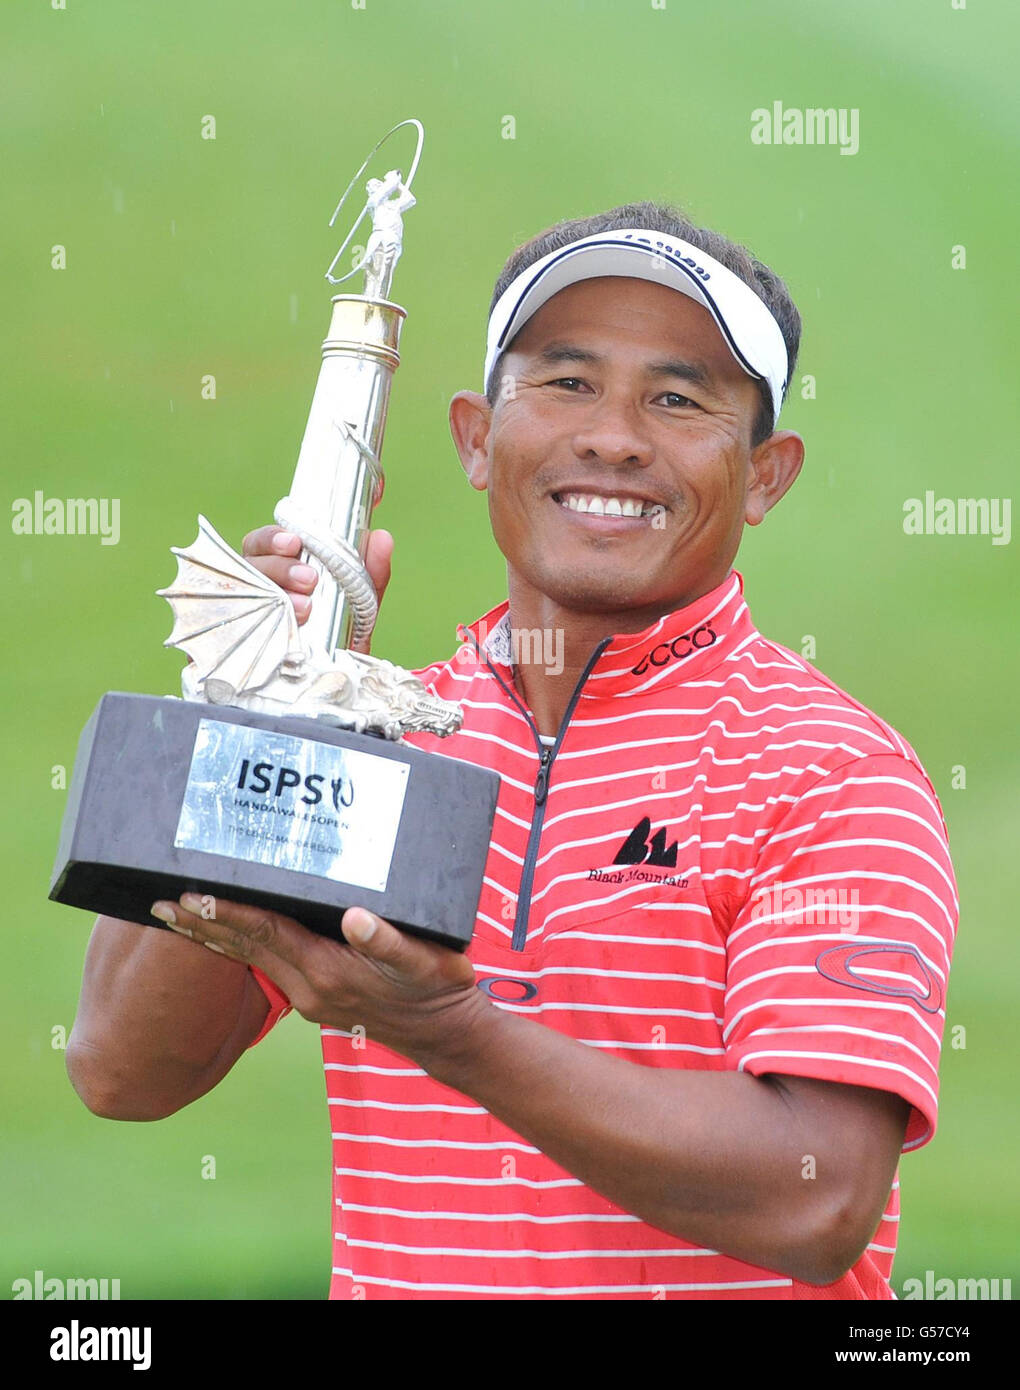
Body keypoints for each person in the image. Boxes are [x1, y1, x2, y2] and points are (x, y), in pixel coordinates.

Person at [66, 203, 958, 1300]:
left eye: (677, 399)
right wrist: (261, 712)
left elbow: (817, 1198)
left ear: (767, 472)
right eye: (566, 382)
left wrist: (454, 1032)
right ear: (477, 440)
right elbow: (122, 1068)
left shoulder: (830, 771)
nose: (615, 436)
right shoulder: (373, 740)